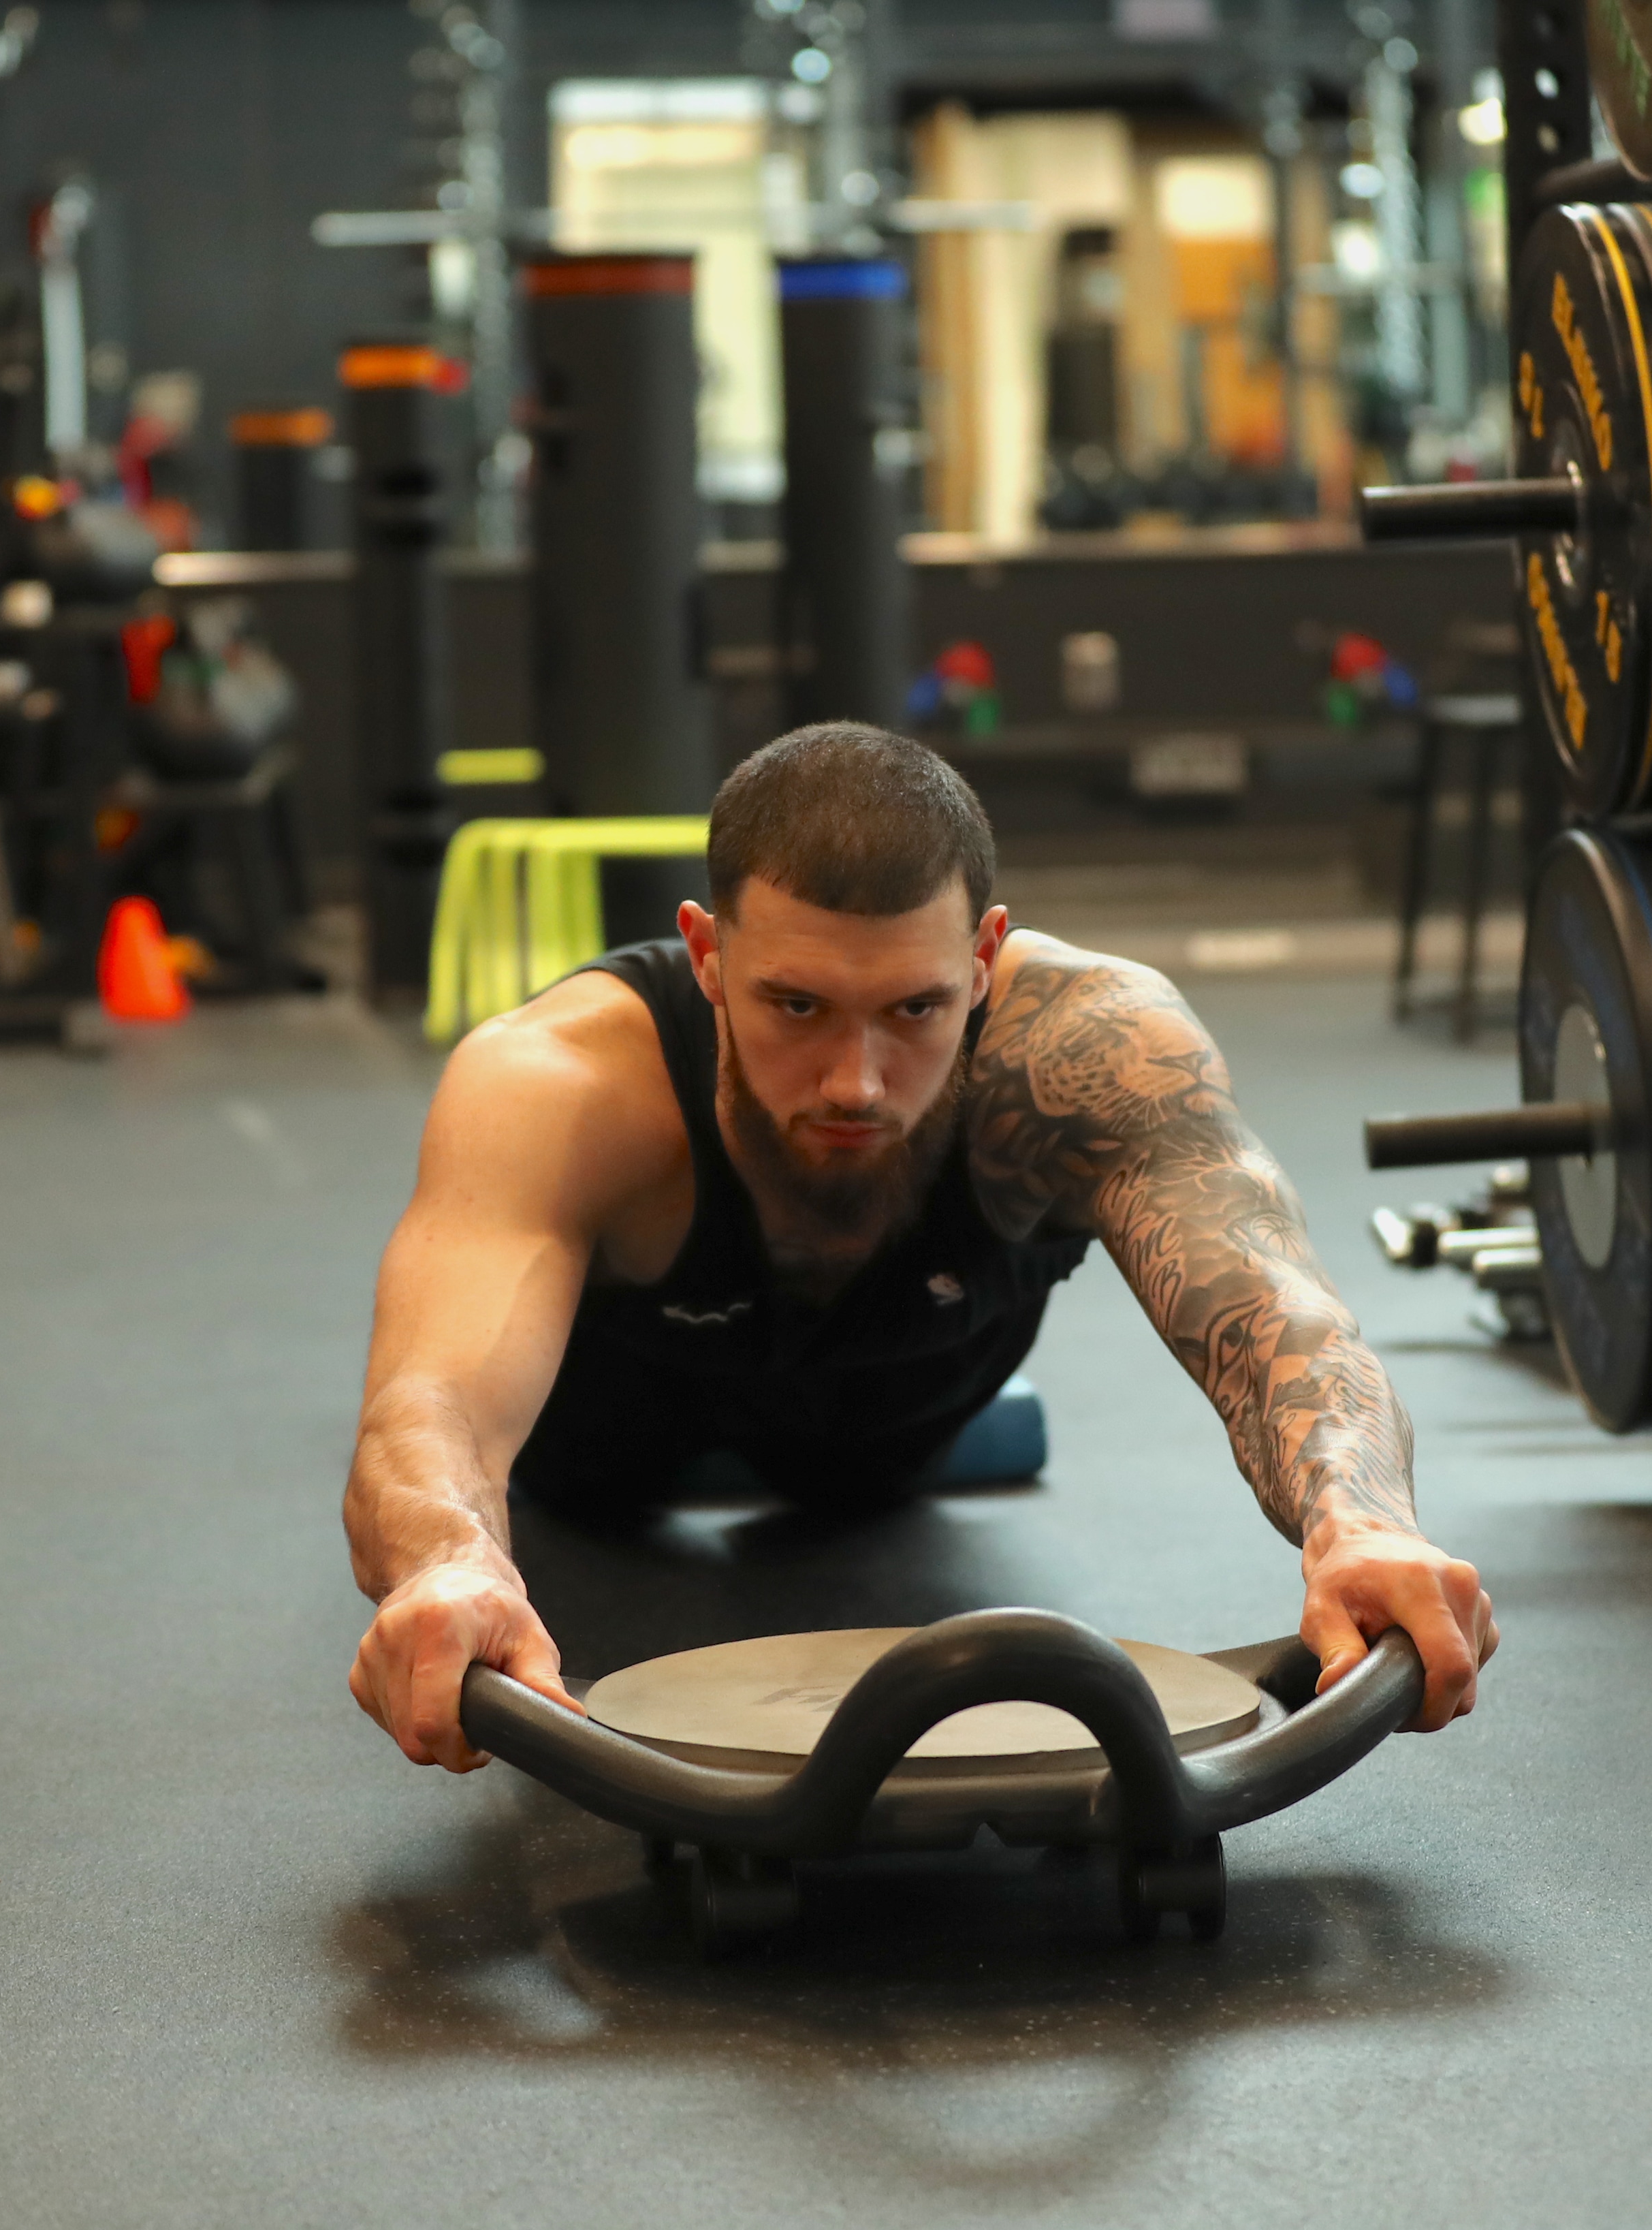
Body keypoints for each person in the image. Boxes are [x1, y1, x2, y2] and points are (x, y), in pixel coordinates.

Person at [343, 723, 1495, 1770]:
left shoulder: (1092, 1047)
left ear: (986, 955)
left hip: (904, 1437)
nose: (856, 1079)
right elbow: (428, 1402)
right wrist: (450, 1556)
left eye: (914, 1009)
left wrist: (1362, 1516)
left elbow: (1279, 1315)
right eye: (797, 1006)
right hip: (603, 1471)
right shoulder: (562, 1083)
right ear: (705, 952)